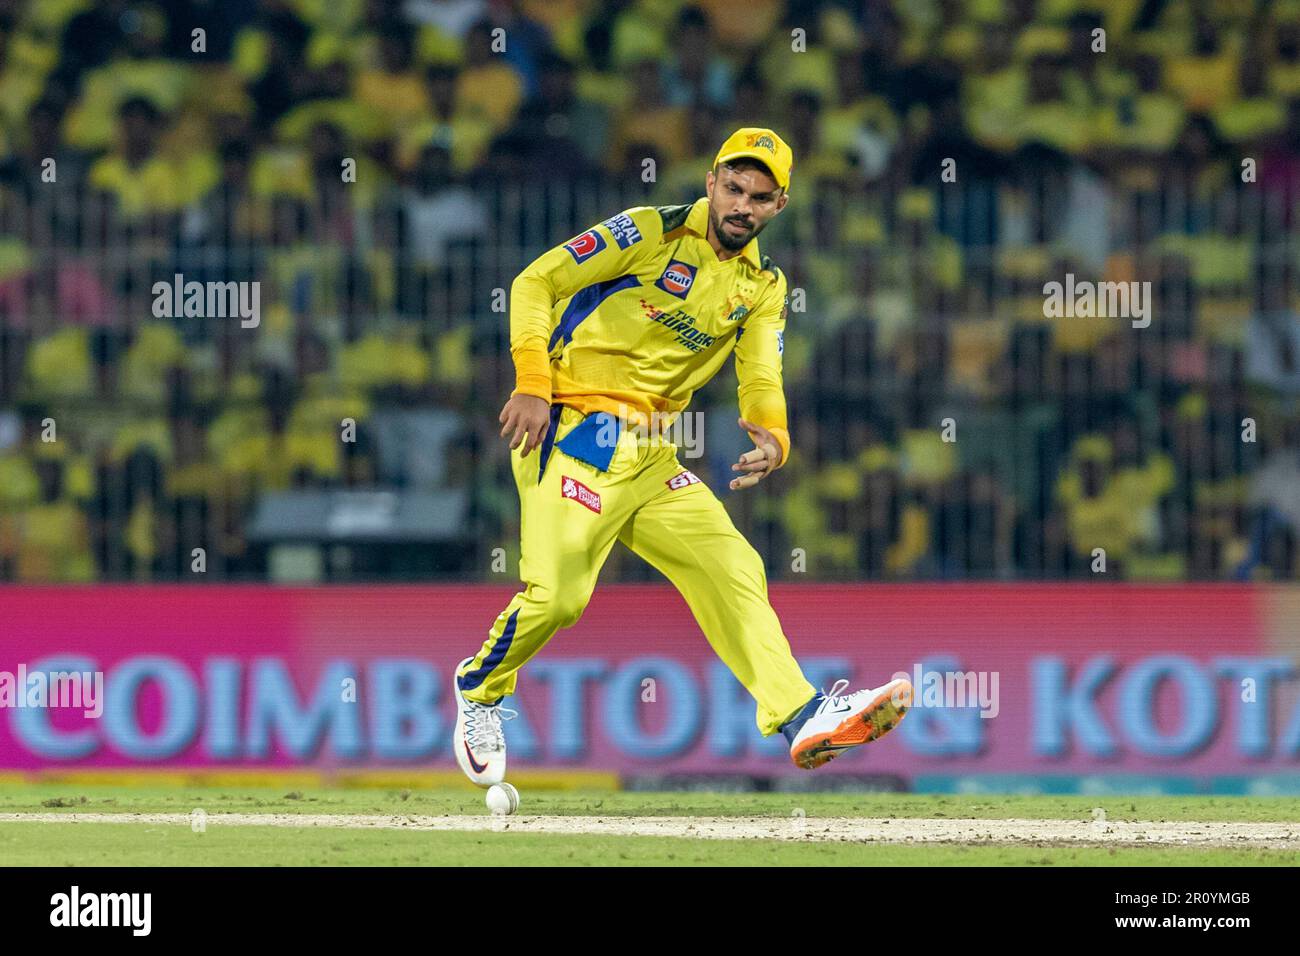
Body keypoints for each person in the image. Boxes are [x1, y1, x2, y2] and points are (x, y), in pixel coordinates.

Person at [452, 128, 912, 784]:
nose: (742, 205)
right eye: (733, 188)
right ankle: (479, 690)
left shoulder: (764, 285)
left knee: (731, 564)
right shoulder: (648, 232)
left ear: (779, 205)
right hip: (577, 431)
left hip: (652, 453)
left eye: (759, 196)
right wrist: (531, 380)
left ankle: (800, 713)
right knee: (558, 599)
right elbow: (535, 281)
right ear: (711, 182)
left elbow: (759, 371)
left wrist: (773, 434)